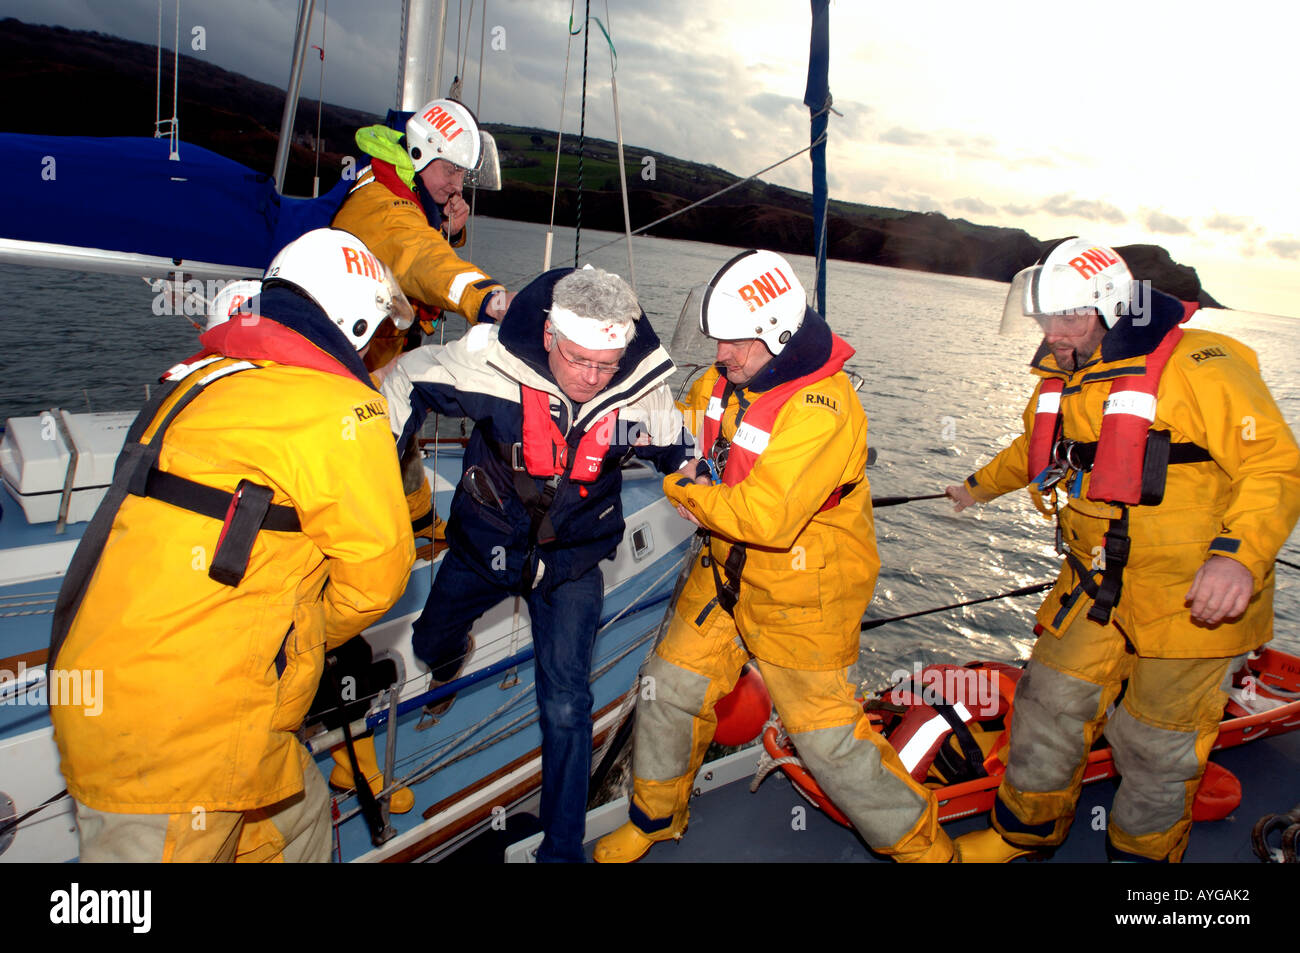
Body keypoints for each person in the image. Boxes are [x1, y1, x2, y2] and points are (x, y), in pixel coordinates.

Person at [49, 228, 416, 862]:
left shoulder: (198, 379)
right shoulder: (339, 406)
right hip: (183, 738)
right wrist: (293, 642)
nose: (380, 353)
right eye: (381, 333)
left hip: (112, 683)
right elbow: (378, 577)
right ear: (354, 324)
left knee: (297, 824)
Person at [944, 237, 1300, 862]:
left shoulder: (1202, 364)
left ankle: (1143, 864)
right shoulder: (1065, 374)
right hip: (1094, 580)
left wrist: (1237, 557)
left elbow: (1274, 464)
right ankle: (1021, 835)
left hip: (1190, 594)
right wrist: (975, 489)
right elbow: (1034, 449)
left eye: (1070, 316)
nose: (1054, 332)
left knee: (1156, 744)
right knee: (1047, 704)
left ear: (1112, 308)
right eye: (1047, 317)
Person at [594, 249, 955, 863]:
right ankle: (655, 818)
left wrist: (679, 487)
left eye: (735, 343)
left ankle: (926, 850)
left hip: (804, 593)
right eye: (717, 341)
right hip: (725, 574)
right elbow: (682, 429)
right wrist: (610, 427)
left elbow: (765, 517)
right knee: (669, 687)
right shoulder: (725, 380)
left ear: (778, 337)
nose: (720, 356)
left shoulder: (824, 408)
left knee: (826, 741)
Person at [379, 266, 692, 862]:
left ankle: (562, 848)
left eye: (606, 365)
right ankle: (450, 655)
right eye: (578, 361)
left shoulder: (638, 391)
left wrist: (700, 480)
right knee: (428, 643)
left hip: (570, 567)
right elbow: (405, 379)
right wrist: (380, 463)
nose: (592, 379)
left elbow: (681, 453)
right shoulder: (485, 365)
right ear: (548, 335)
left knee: (567, 705)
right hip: (482, 548)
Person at [333, 97, 512, 551]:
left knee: (400, 426)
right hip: (349, 355)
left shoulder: (400, 189)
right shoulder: (382, 205)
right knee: (369, 435)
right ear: (419, 154)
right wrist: (485, 296)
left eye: (461, 174)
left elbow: (420, 242)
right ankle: (358, 543)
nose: (457, 184)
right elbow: (419, 257)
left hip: (377, 344)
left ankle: (415, 519)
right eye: (450, 170)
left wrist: (449, 227)